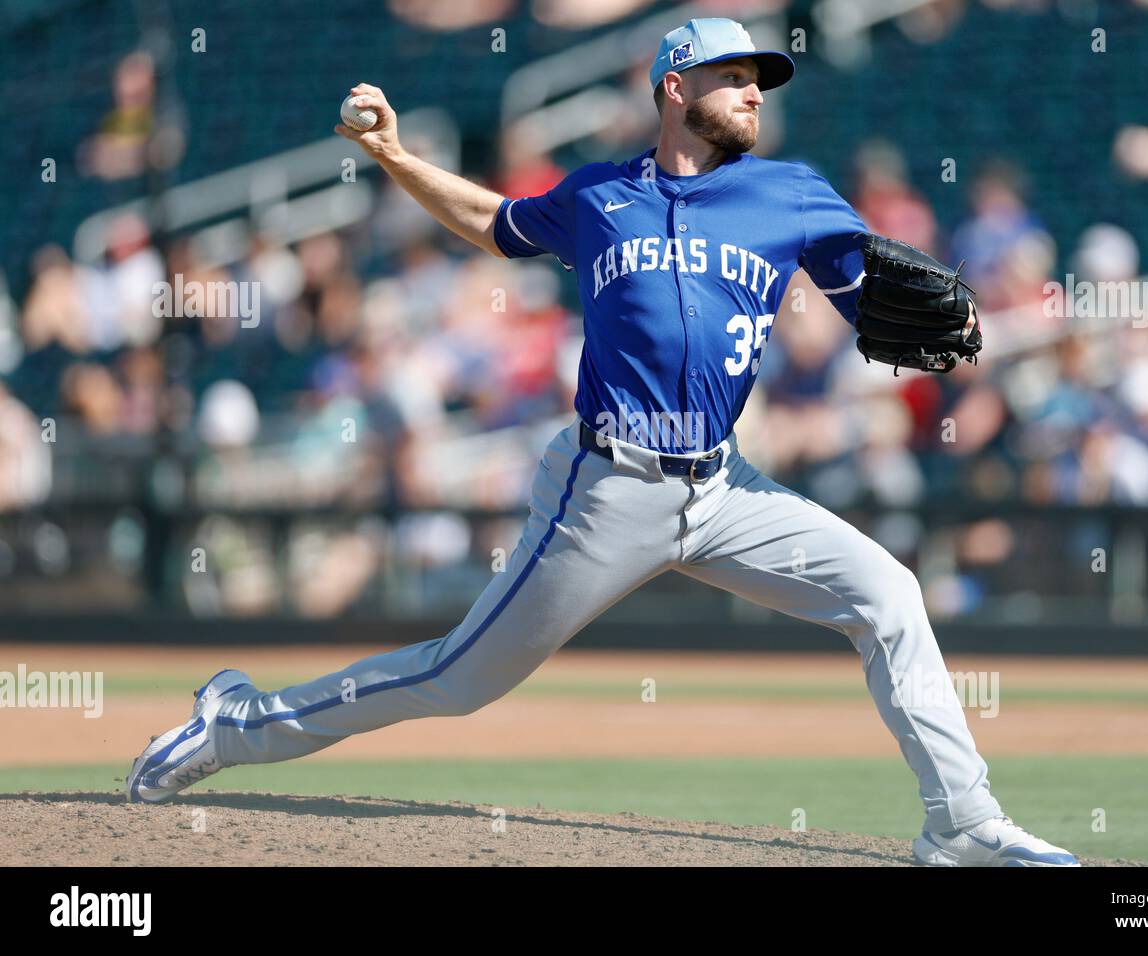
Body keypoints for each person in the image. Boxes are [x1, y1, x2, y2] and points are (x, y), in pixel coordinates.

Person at [127, 17, 1078, 867]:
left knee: (890, 595)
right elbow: (493, 224)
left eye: (762, 78)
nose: (754, 89)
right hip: (604, 491)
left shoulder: (792, 195)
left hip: (725, 490)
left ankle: (960, 822)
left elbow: (872, 297)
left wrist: (950, 327)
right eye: (734, 73)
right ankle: (235, 723)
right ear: (675, 87)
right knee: (458, 680)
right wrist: (394, 159)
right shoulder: (599, 196)